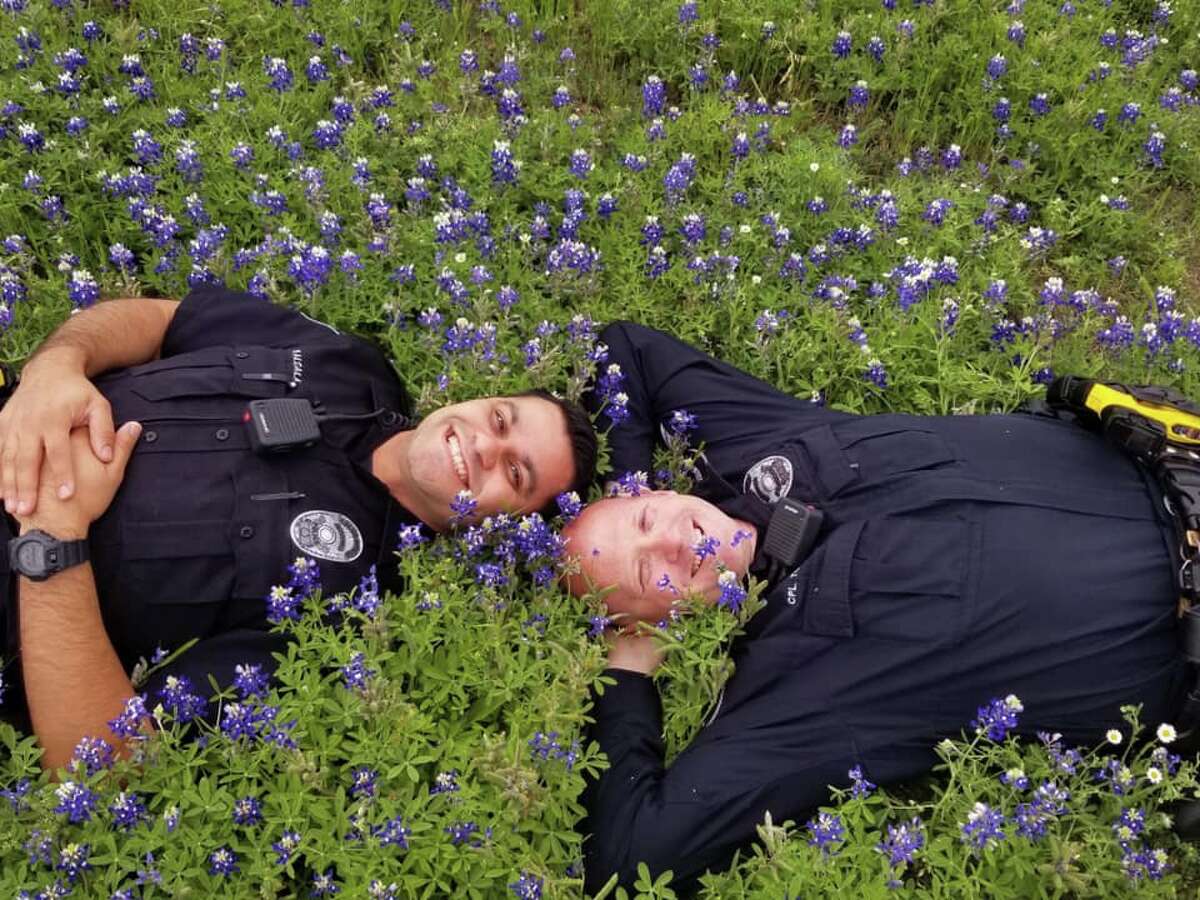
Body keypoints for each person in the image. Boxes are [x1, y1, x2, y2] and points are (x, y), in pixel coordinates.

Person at [565, 320, 1189, 894]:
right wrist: (628, 673)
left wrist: (626, 483)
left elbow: (623, 348)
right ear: (653, 621)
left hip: (1176, 460)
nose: (673, 540)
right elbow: (628, 859)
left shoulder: (744, 448)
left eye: (646, 517)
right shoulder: (785, 696)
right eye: (650, 573)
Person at [0, 284, 597, 771]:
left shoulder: (348, 621)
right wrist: (57, 365)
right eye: (500, 418)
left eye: (517, 474)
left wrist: (52, 535)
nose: (487, 445)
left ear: (499, 529)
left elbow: (108, 762)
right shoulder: (348, 364)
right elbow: (163, 320)